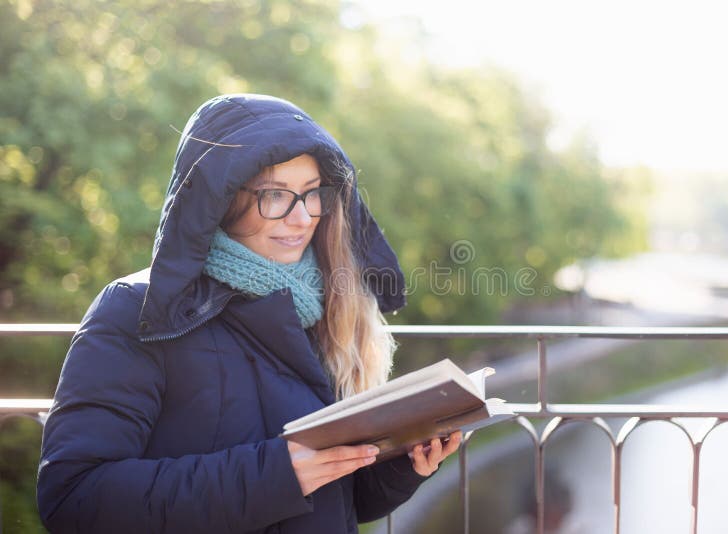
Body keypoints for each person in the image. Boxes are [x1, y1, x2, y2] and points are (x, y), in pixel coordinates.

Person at [37, 94, 461, 533]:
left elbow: (331, 499)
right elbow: (73, 498)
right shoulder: (134, 309)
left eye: (313, 194)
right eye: (276, 195)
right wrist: (276, 475)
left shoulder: (324, 308)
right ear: (220, 198)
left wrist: (402, 466)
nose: (302, 218)